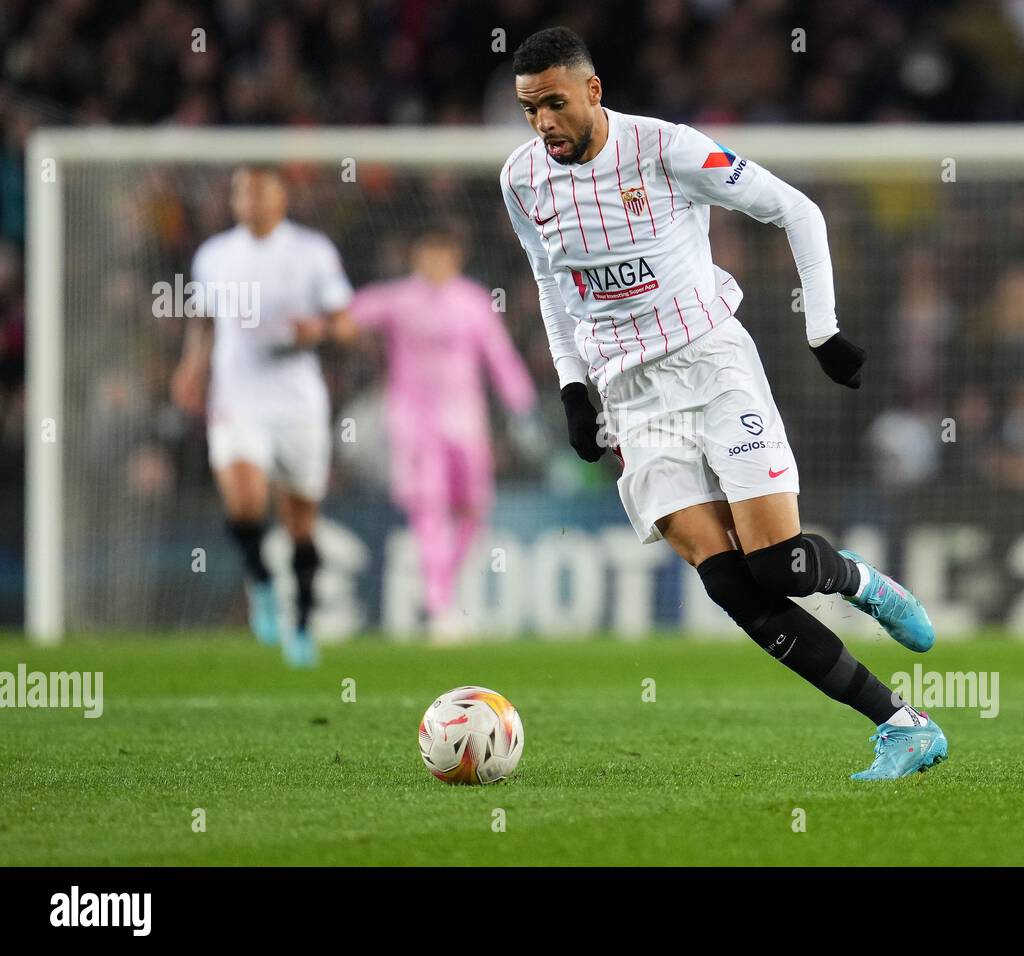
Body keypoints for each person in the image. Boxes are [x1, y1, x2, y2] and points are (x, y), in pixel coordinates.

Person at [500, 27, 947, 779]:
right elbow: (552, 287)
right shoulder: (521, 181)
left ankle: (859, 582)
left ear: (593, 91)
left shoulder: (667, 150)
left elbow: (798, 210)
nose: (542, 123)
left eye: (553, 103)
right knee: (727, 582)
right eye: (528, 109)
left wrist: (823, 330)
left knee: (777, 564)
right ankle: (902, 726)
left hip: (711, 367)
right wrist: (573, 387)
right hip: (630, 397)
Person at [171, 165, 356, 667]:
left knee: (300, 523)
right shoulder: (214, 255)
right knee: (246, 502)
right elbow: (204, 322)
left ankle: (300, 624)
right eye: (241, 192)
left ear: (281, 197)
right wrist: (191, 368)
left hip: (297, 402)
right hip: (237, 396)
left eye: (260, 191)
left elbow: (345, 326)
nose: (249, 200)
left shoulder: (312, 251)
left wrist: (314, 331)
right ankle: (260, 580)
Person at [350, 229, 539, 638]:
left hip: (466, 424)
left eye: (442, 254)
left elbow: (500, 357)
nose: (434, 263)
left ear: (455, 257)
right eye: (427, 254)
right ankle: (439, 604)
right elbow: (348, 315)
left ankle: (441, 587)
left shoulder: (472, 302)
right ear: (417, 257)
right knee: (430, 509)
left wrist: (522, 405)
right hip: (415, 426)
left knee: (473, 510)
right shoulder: (398, 300)